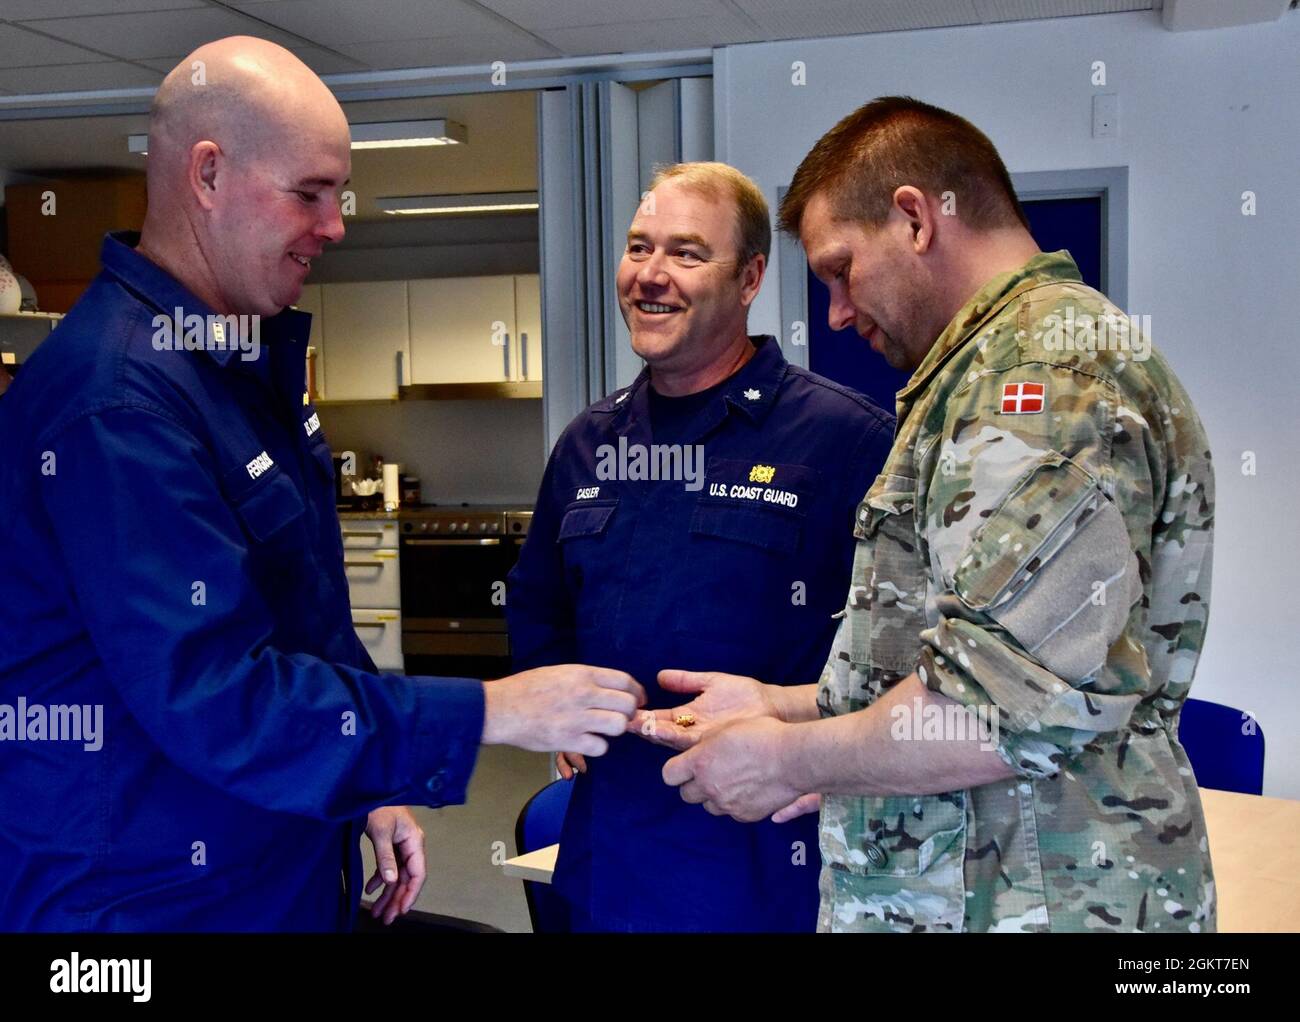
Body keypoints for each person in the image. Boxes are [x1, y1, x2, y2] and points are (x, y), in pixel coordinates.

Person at [0, 36, 643, 932]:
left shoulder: (232, 365)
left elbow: (299, 624)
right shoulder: (118, 405)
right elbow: (219, 697)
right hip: (146, 905)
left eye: (337, 194)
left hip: (275, 863)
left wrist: (369, 789)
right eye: (308, 193)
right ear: (209, 174)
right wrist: (493, 709)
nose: (336, 225)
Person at [649, 97, 1216, 933]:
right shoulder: (989, 369)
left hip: (1037, 902)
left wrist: (781, 759)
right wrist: (784, 704)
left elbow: (1001, 709)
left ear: (915, 218)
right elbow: (965, 664)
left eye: (841, 269)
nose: (837, 311)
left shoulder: (1043, 377)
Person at [507, 162, 894, 931]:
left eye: (685, 253)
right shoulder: (590, 441)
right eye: (637, 247)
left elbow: (909, 650)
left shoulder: (846, 438)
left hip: (776, 872)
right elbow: (539, 602)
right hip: (612, 863)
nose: (650, 276)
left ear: (750, 279)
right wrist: (555, 706)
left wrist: (838, 756)